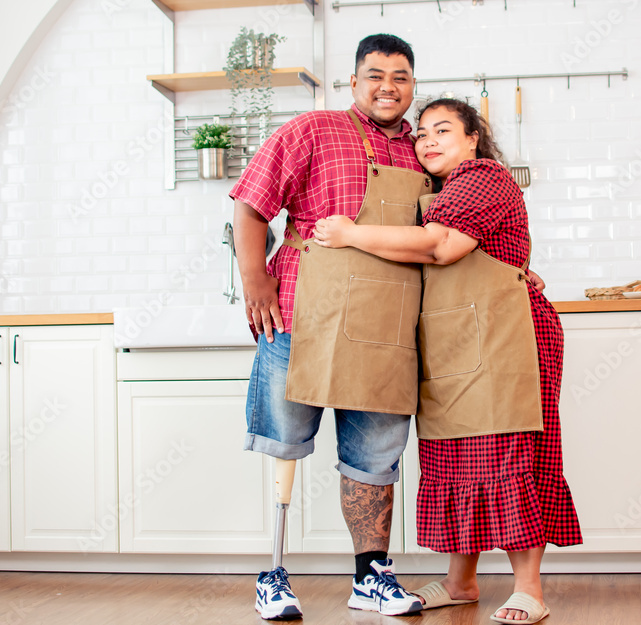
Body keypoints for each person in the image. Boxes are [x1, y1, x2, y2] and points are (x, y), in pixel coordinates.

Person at [313, 98, 583, 625]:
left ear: (473, 139)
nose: (429, 141)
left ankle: (530, 589)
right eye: (422, 134)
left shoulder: (482, 176)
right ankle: (461, 583)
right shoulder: (439, 190)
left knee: (507, 452)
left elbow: (440, 249)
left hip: (507, 339)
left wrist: (349, 233)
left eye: (444, 130)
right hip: (457, 340)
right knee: (455, 458)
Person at [230, 34, 428, 620]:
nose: (388, 87)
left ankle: (371, 577)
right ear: (353, 82)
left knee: (375, 458)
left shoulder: (426, 150)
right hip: (300, 313)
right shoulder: (313, 129)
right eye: (375, 75)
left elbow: (453, 232)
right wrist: (253, 277)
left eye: (400, 77)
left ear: (413, 85)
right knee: (284, 443)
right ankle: (273, 574)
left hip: (388, 324)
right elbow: (250, 203)